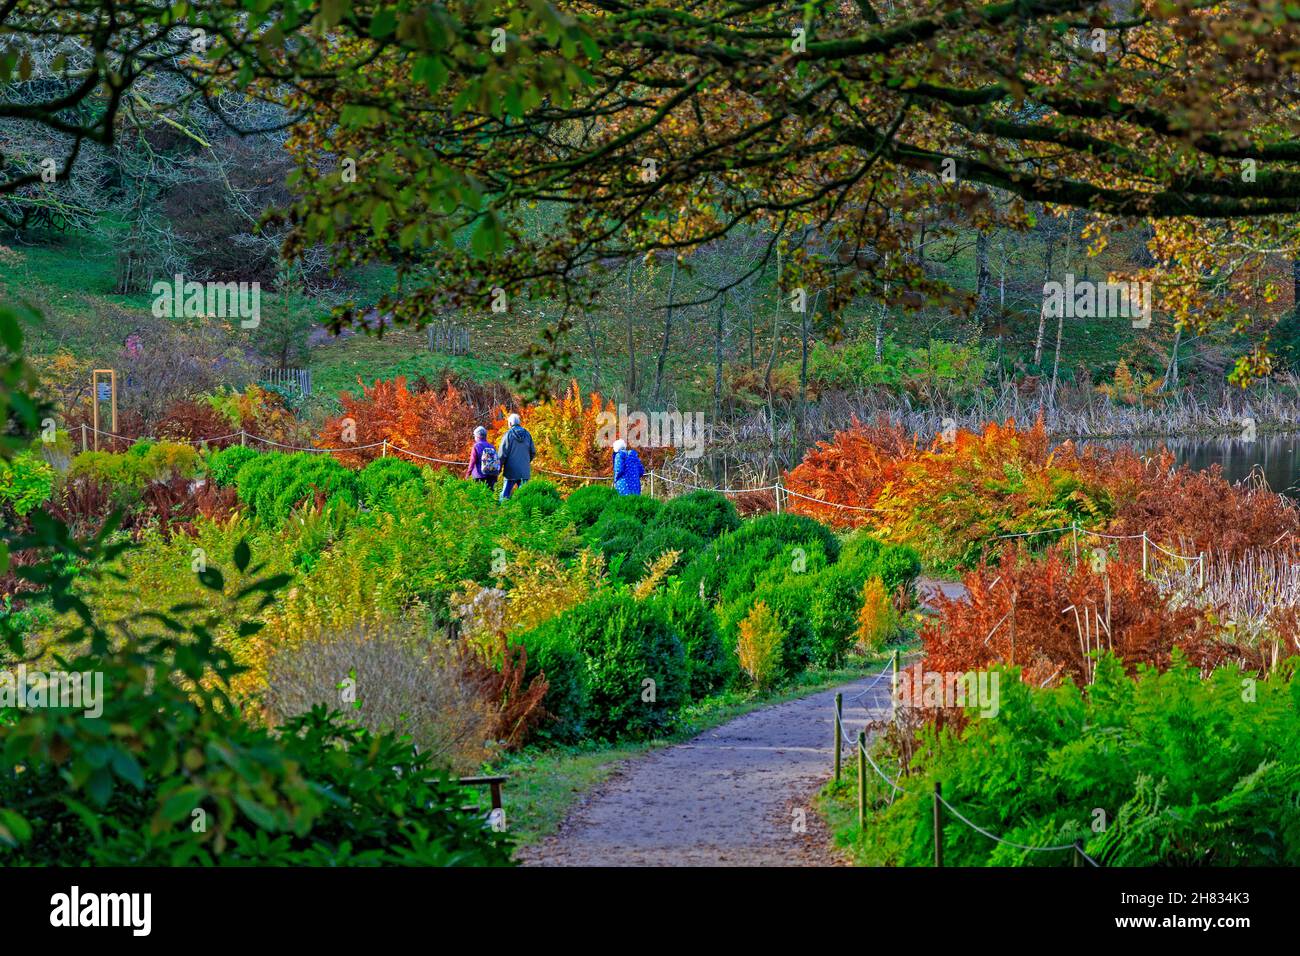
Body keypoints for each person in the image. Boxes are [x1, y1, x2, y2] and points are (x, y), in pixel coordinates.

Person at [498, 412, 536, 500]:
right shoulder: (527, 434)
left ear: (510, 423)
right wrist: (526, 462)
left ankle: (503, 512)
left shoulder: (508, 435)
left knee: (505, 495)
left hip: (511, 471)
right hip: (524, 471)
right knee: (523, 497)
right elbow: (533, 452)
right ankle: (522, 513)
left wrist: (499, 467)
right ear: (519, 422)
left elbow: (502, 454)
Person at [465, 426, 500, 492]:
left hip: (479, 476)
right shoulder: (491, 446)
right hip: (491, 475)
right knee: (490, 495)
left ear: (478, 436)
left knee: (480, 496)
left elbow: (472, 461)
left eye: (474, 436)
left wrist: (468, 474)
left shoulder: (476, 446)